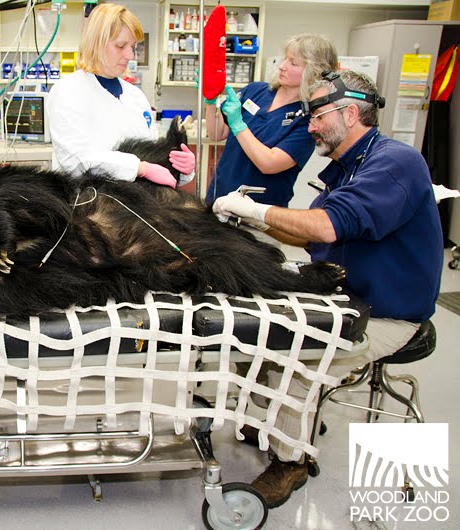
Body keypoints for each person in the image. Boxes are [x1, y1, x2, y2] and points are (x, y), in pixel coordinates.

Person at [212, 70, 443, 508]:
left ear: (350, 112)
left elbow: (328, 225)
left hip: (388, 313)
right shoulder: (346, 167)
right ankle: (277, 425)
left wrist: (257, 206)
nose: (310, 126)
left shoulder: (396, 162)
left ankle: (290, 463)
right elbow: (312, 236)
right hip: (343, 296)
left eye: (317, 115)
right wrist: (250, 220)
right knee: (256, 331)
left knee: (296, 363)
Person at [47, 3, 195, 188]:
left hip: (138, 203)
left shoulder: (135, 96)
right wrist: (140, 168)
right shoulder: (68, 91)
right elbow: (76, 160)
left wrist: (180, 167)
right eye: (121, 45)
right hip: (88, 204)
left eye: (132, 46)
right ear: (96, 42)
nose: (130, 55)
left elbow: (151, 154)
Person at [205, 33, 338, 207]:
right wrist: (210, 101)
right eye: (285, 59)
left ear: (313, 72)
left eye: (293, 63)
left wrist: (238, 124)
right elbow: (217, 133)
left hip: (259, 210)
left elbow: (268, 163)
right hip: (219, 196)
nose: (282, 66)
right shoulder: (256, 91)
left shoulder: (309, 120)